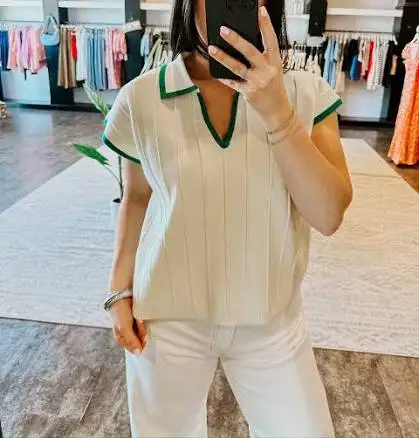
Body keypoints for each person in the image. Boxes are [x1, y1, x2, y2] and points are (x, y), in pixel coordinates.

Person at [102, 0, 353, 436]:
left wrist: (277, 112)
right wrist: (118, 290)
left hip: (271, 320)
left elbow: (328, 214)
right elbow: (137, 197)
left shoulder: (306, 93)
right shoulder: (141, 98)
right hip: (166, 319)